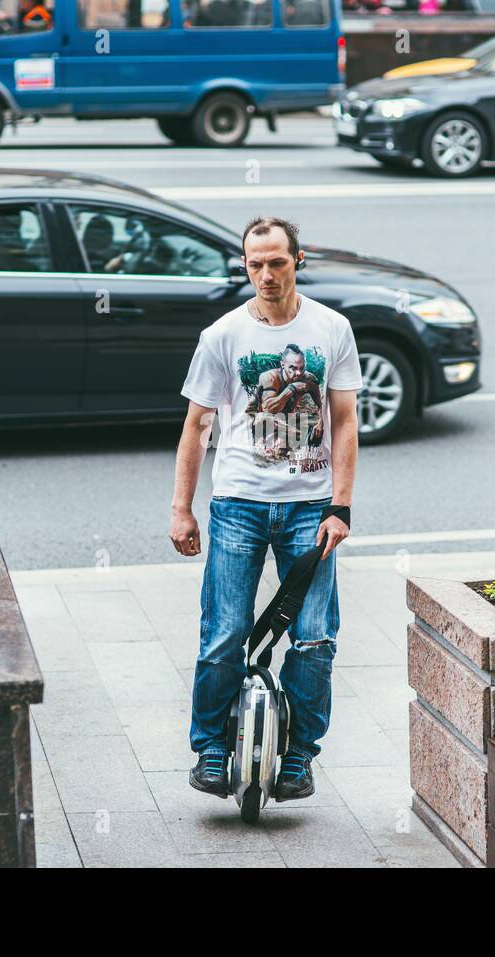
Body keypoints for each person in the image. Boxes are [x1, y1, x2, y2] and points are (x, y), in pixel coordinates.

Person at [169, 216, 361, 802]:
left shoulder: (332, 329)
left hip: (310, 508)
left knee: (313, 640)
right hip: (238, 506)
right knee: (223, 633)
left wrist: (342, 507)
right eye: (255, 264)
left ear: (298, 260)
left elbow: (347, 421)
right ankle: (208, 749)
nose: (266, 274)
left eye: (277, 262)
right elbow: (197, 425)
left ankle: (300, 757)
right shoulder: (222, 336)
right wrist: (182, 508)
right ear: (245, 265)